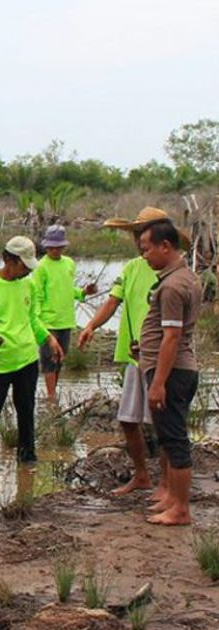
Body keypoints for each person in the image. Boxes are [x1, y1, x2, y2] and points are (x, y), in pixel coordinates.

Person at [78, 207, 168, 497]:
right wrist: (91, 324)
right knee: (128, 420)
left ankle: (167, 484)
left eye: (142, 233)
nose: (138, 239)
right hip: (134, 356)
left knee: (166, 423)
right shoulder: (131, 268)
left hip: (161, 356)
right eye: (136, 234)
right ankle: (142, 475)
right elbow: (112, 302)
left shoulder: (168, 269)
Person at [0, 236, 64, 466]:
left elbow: (32, 318)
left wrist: (49, 339)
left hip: (26, 360)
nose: (27, 272)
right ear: (7, 259)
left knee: (26, 410)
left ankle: (27, 460)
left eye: (29, 267)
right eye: (23, 266)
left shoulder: (28, 284)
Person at [137, 221, 201, 526]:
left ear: (166, 246)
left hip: (173, 373)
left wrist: (159, 382)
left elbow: (172, 337)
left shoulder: (174, 286)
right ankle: (173, 499)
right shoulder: (183, 277)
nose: (145, 256)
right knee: (169, 435)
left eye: (147, 250)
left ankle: (181, 509)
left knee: (174, 439)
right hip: (176, 370)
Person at [32, 225, 96, 403]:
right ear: (46, 247)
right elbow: (36, 294)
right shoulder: (40, 267)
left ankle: (52, 394)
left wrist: (84, 292)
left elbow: (68, 288)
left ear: (63, 247)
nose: (54, 250)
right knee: (49, 358)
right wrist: (37, 322)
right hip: (47, 321)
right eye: (51, 247)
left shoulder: (69, 263)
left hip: (66, 320)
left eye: (58, 247)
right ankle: (51, 397)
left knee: (60, 358)